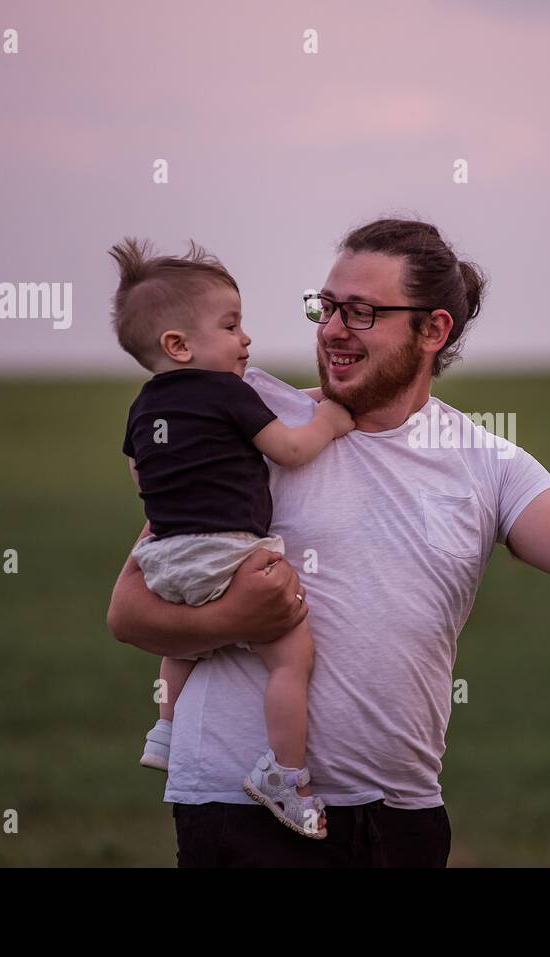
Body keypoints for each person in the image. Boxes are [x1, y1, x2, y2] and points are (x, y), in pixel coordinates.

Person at [106, 218, 550, 867]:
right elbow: (129, 611)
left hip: (403, 817)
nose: (334, 328)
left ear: (433, 330)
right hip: (240, 812)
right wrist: (238, 618)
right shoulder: (251, 422)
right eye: (329, 306)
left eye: (363, 312)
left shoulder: (486, 462)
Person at [110, 237, 354, 839]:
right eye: (230, 325)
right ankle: (285, 774)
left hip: (163, 556)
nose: (245, 339)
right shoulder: (227, 392)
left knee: (184, 640)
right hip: (231, 549)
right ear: (179, 344)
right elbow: (292, 451)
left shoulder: (142, 406)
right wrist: (330, 419)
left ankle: (164, 728)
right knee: (291, 657)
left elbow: (140, 472)